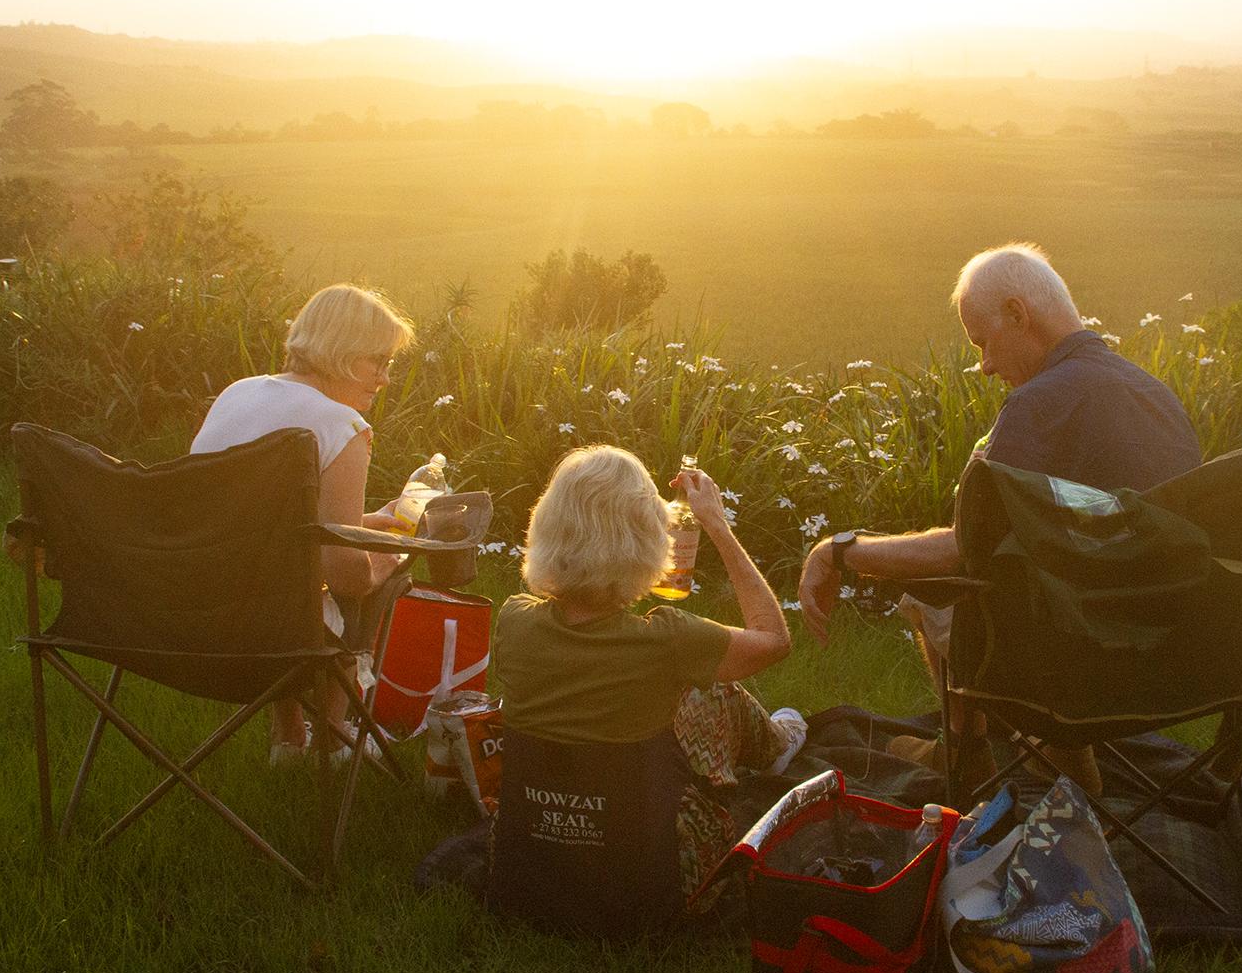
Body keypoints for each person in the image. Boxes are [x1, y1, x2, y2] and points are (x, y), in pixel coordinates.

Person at [796, 243, 1201, 789]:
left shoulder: (1038, 403)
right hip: (1166, 658)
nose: (984, 365)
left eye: (983, 342)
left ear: (1017, 313)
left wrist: (841, 549)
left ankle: (964, 752)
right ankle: (1054, 755)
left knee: (928, 589)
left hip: (1071, 663)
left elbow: (966, 548)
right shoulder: (1159, 397)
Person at [496, 445, 803, 896]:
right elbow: (774, 640)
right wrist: (716, 524)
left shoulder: (514, 620)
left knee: (691, 689)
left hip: (533, 870)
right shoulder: (668, 640)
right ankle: (776, 744)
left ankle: (774, 742)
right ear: (646, 540)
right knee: (713, 691)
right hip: (643, 880)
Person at [191, 282, 416, 766]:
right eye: (378, 361)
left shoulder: (238, 393)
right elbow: (348, 577)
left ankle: (288, 735)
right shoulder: (341, 424)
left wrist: (359, 524)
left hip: (192, 619)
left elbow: (257, 522)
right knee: (380, 571)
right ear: (342, 353)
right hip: (279, 637)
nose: (384, 378)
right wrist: (389, 553)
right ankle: (333, 738)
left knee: (293, 572)